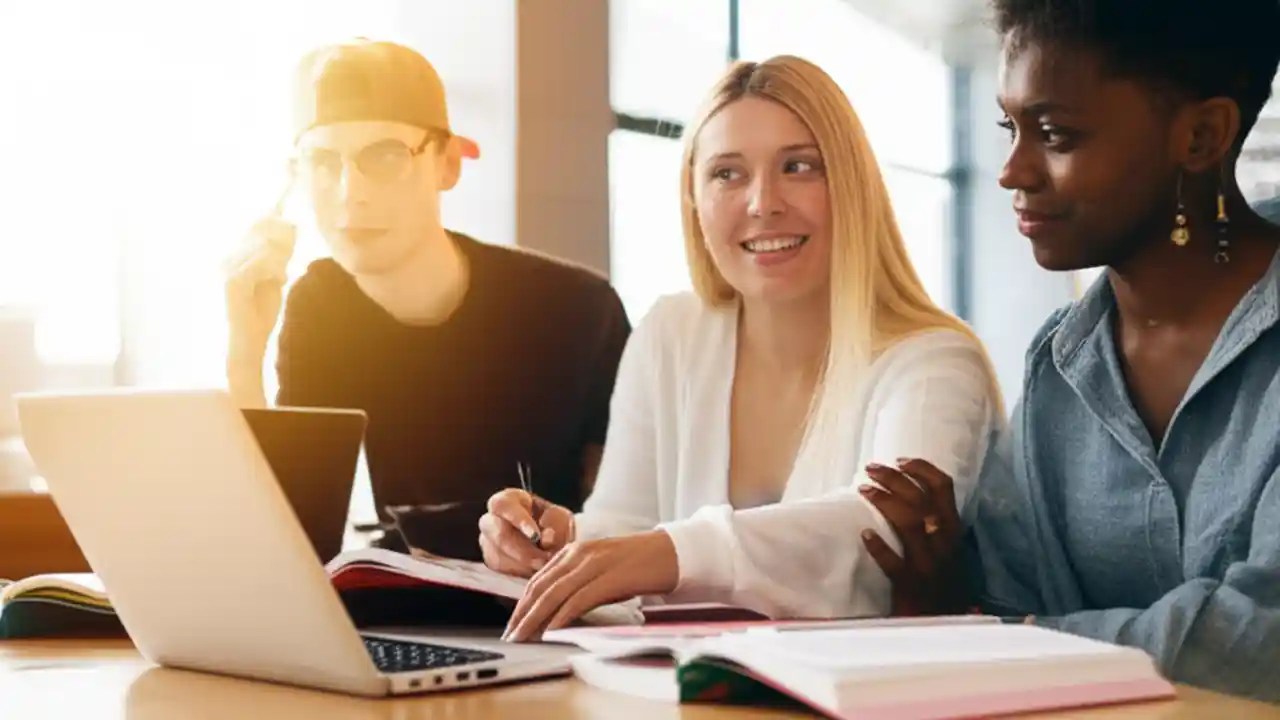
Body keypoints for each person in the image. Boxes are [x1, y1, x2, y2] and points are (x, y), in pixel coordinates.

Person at [481, 56, 1006, 641]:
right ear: (694, 202)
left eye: (799, 166)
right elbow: (626, 526)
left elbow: (875, 535)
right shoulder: (671, 333)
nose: (763, 203)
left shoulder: (934, 363)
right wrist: (562, 540)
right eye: (727, 174)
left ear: (853, 188)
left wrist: (663, 552)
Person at [860, 0, 1280, 703]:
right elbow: (990, 607)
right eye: (1009, 126)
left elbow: (1258, 643)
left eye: (1054, 134)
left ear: (1202, 135)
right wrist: (943, 584)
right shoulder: (1057, 364)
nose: (1011, 171)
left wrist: (1012, 638)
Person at [223, 40, 630, 556]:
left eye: (386, 156)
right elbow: (282, 538)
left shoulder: (577, 309)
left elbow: (629, 521)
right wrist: (244, 352)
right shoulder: (323, 305)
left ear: (448, 164)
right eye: (323, 161)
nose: (351, 192)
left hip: (556, 602)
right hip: (407, 604)